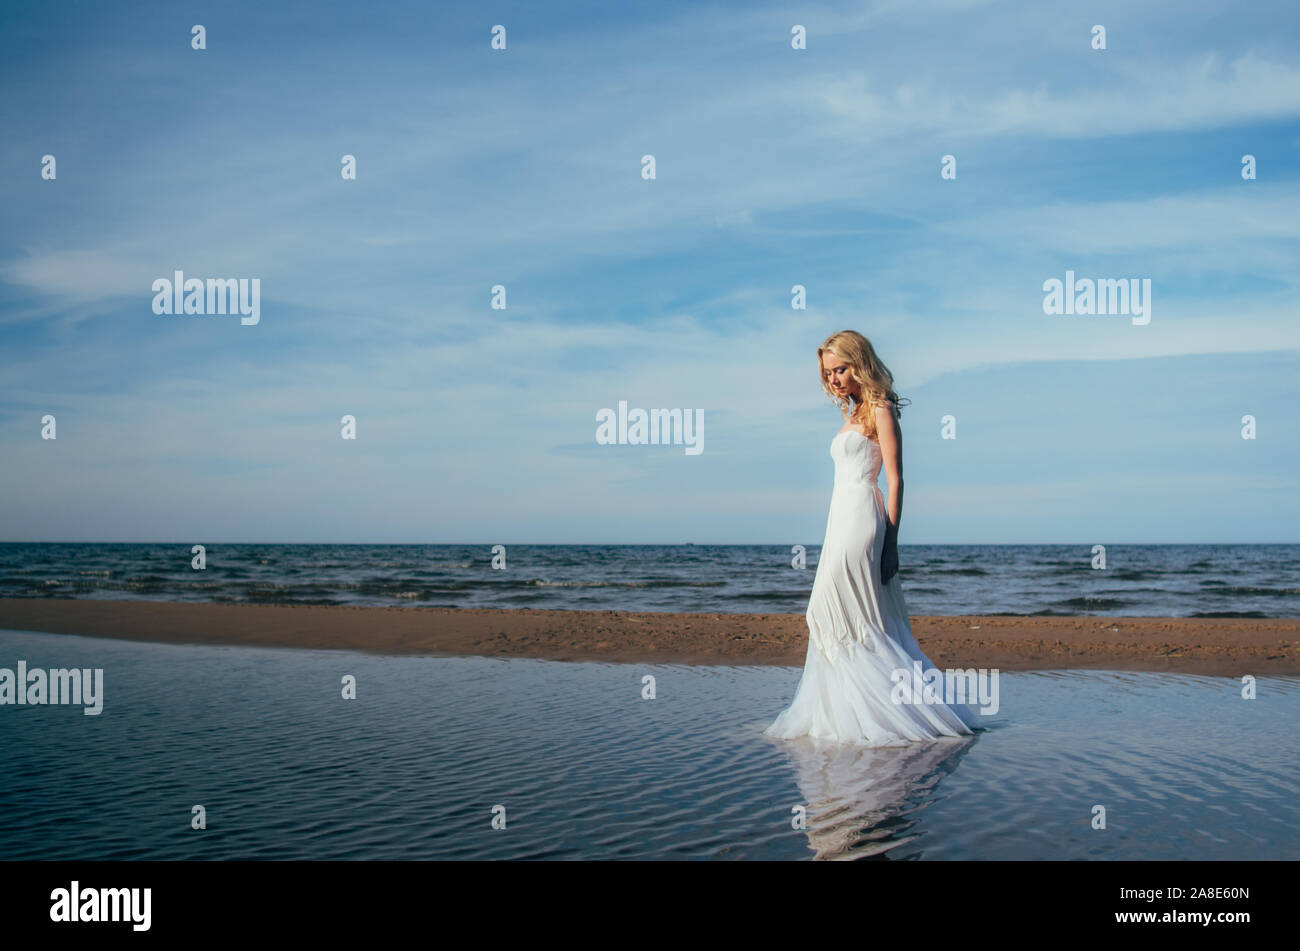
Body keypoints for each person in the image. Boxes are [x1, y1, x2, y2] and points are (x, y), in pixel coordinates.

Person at [764, 330, 982, 746]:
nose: (834, 380)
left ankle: (883, 713)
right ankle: (850, 712)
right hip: (839, 518)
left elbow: (897, 481)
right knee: (831, 616)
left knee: (840, 613)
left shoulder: (880, 408)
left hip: (864, 517)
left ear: (859, 362)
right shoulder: (852, 413)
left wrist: (891, 544)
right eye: (828, 373)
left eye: (840, 369)